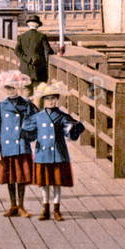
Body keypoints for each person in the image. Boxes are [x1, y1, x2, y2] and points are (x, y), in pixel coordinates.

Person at [25, 81, 85, 221]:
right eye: (47, 99)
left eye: (53, 98)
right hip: (43, 153)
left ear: (57, 99)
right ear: (43, 100)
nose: (51, 102)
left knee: (57, 183)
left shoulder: (63, 116)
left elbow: (72, 130)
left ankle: (56, 209)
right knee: (44, 183)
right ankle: (45, 208)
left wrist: (74, 128)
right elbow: (27, 129)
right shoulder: (38, 117)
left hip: (58, 153)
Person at [0, 70, 36, 218]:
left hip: (20, 145)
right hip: (6, 147)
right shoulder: (1, 107)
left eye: (13, 87)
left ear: (18, 88)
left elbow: (35, 123)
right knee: (10, 177)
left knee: (20, 177)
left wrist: (27, 133)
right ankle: (13, 205)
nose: (11, 91)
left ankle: (21, 206)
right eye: (8, 88)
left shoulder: (27, 105)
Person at [15, 15, 54, 84]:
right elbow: (48, 50)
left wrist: (27, 59)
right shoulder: (42, 36)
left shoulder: (22, 37)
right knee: (37, 89)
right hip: (38, 69)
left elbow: (17, 51)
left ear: (28, 24)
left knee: (26, 90)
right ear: (38, 25)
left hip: (24, 69)